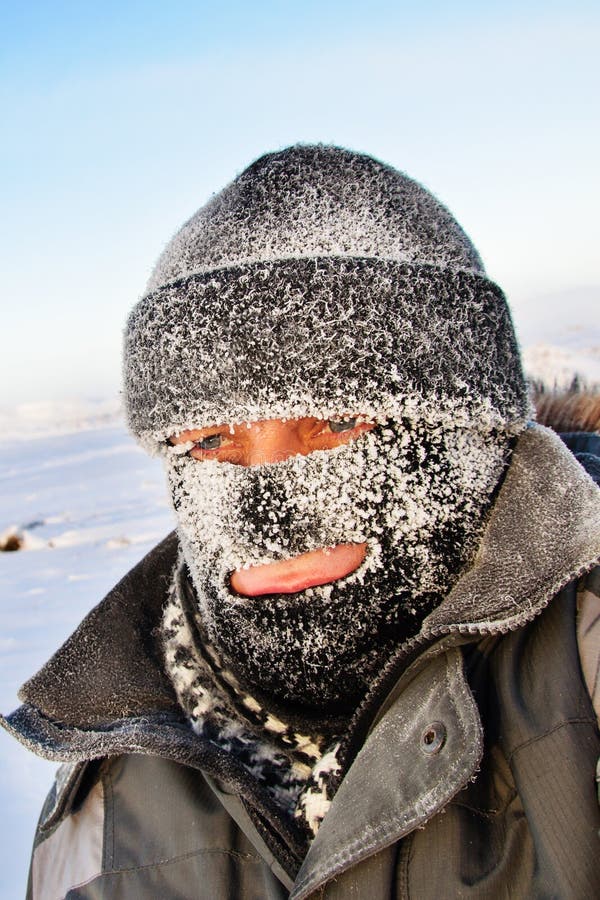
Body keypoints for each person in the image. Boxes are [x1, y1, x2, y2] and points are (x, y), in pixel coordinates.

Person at [2, 145, 600, 899]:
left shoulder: (584, 668)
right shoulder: (106, 797)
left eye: (339, 421)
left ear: (469, 430)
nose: (268, 512)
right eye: (212, 440)